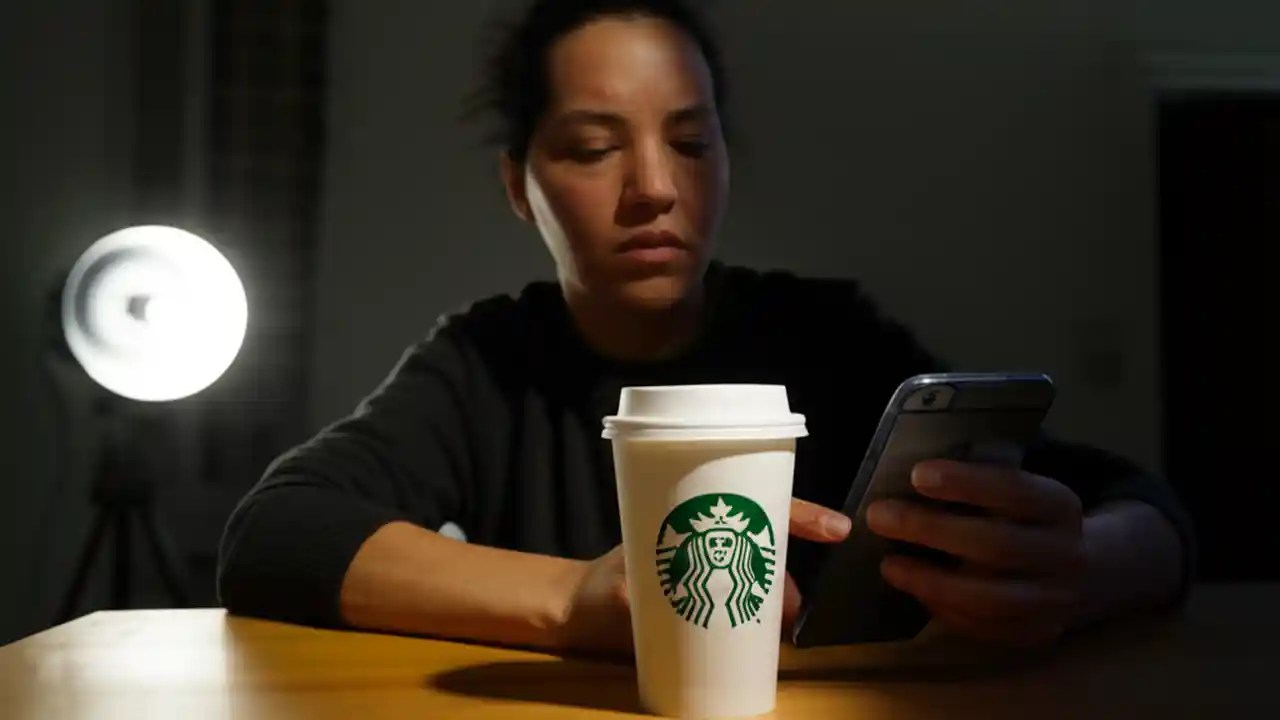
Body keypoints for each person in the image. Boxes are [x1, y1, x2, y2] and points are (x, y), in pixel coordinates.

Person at [217, 0, 1192, 657]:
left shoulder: (825, 335)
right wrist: (572, 601)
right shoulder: (485, 364)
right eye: (594, 148)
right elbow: (275, 533)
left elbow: (1132, 499)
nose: (652, 189)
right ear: (520, 185)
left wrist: (1082, 570)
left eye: (689, 142)